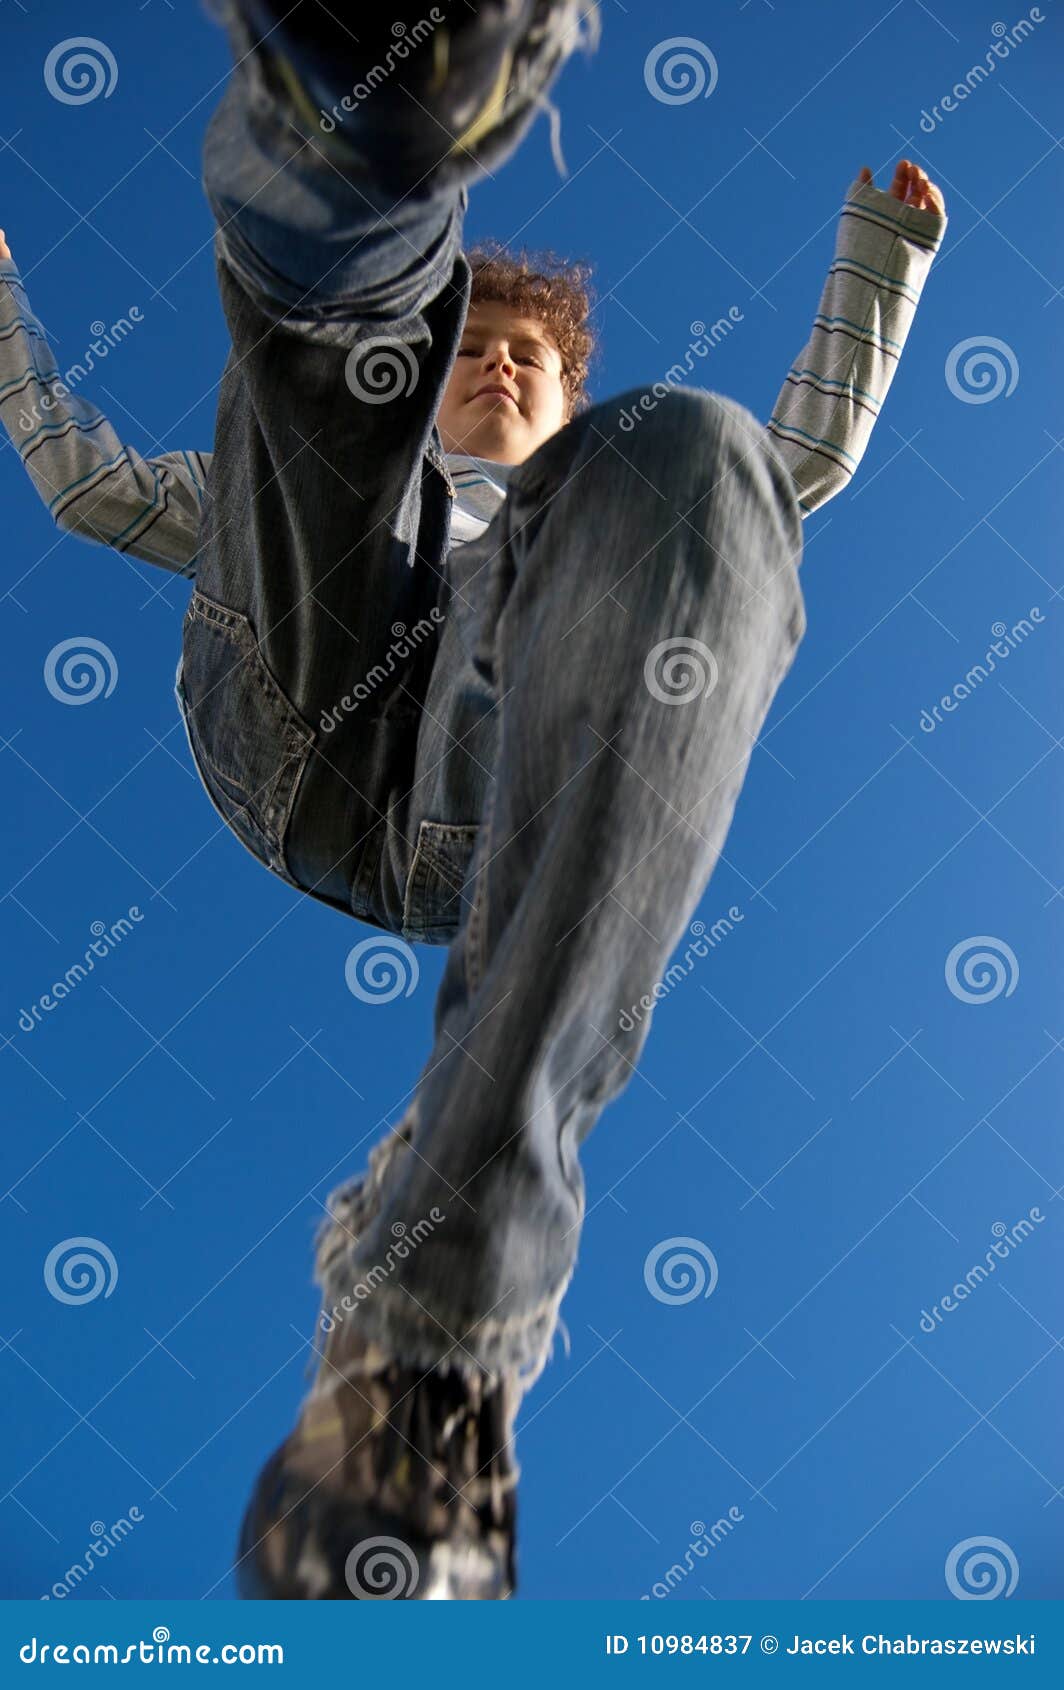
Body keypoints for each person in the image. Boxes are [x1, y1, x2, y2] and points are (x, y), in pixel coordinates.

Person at [0, 0, 946, 1599]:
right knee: (325, 431)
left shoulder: (578, 495)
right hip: (299, 715)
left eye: (535, 359)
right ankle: (357, 131)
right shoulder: (379, 453)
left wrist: (878, 269)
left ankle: (431, 1345)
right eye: (481, 355)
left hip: (491, 791)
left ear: (561, 403)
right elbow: (84, 482)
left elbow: (790, 471)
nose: (504, 363)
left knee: (704, 458)